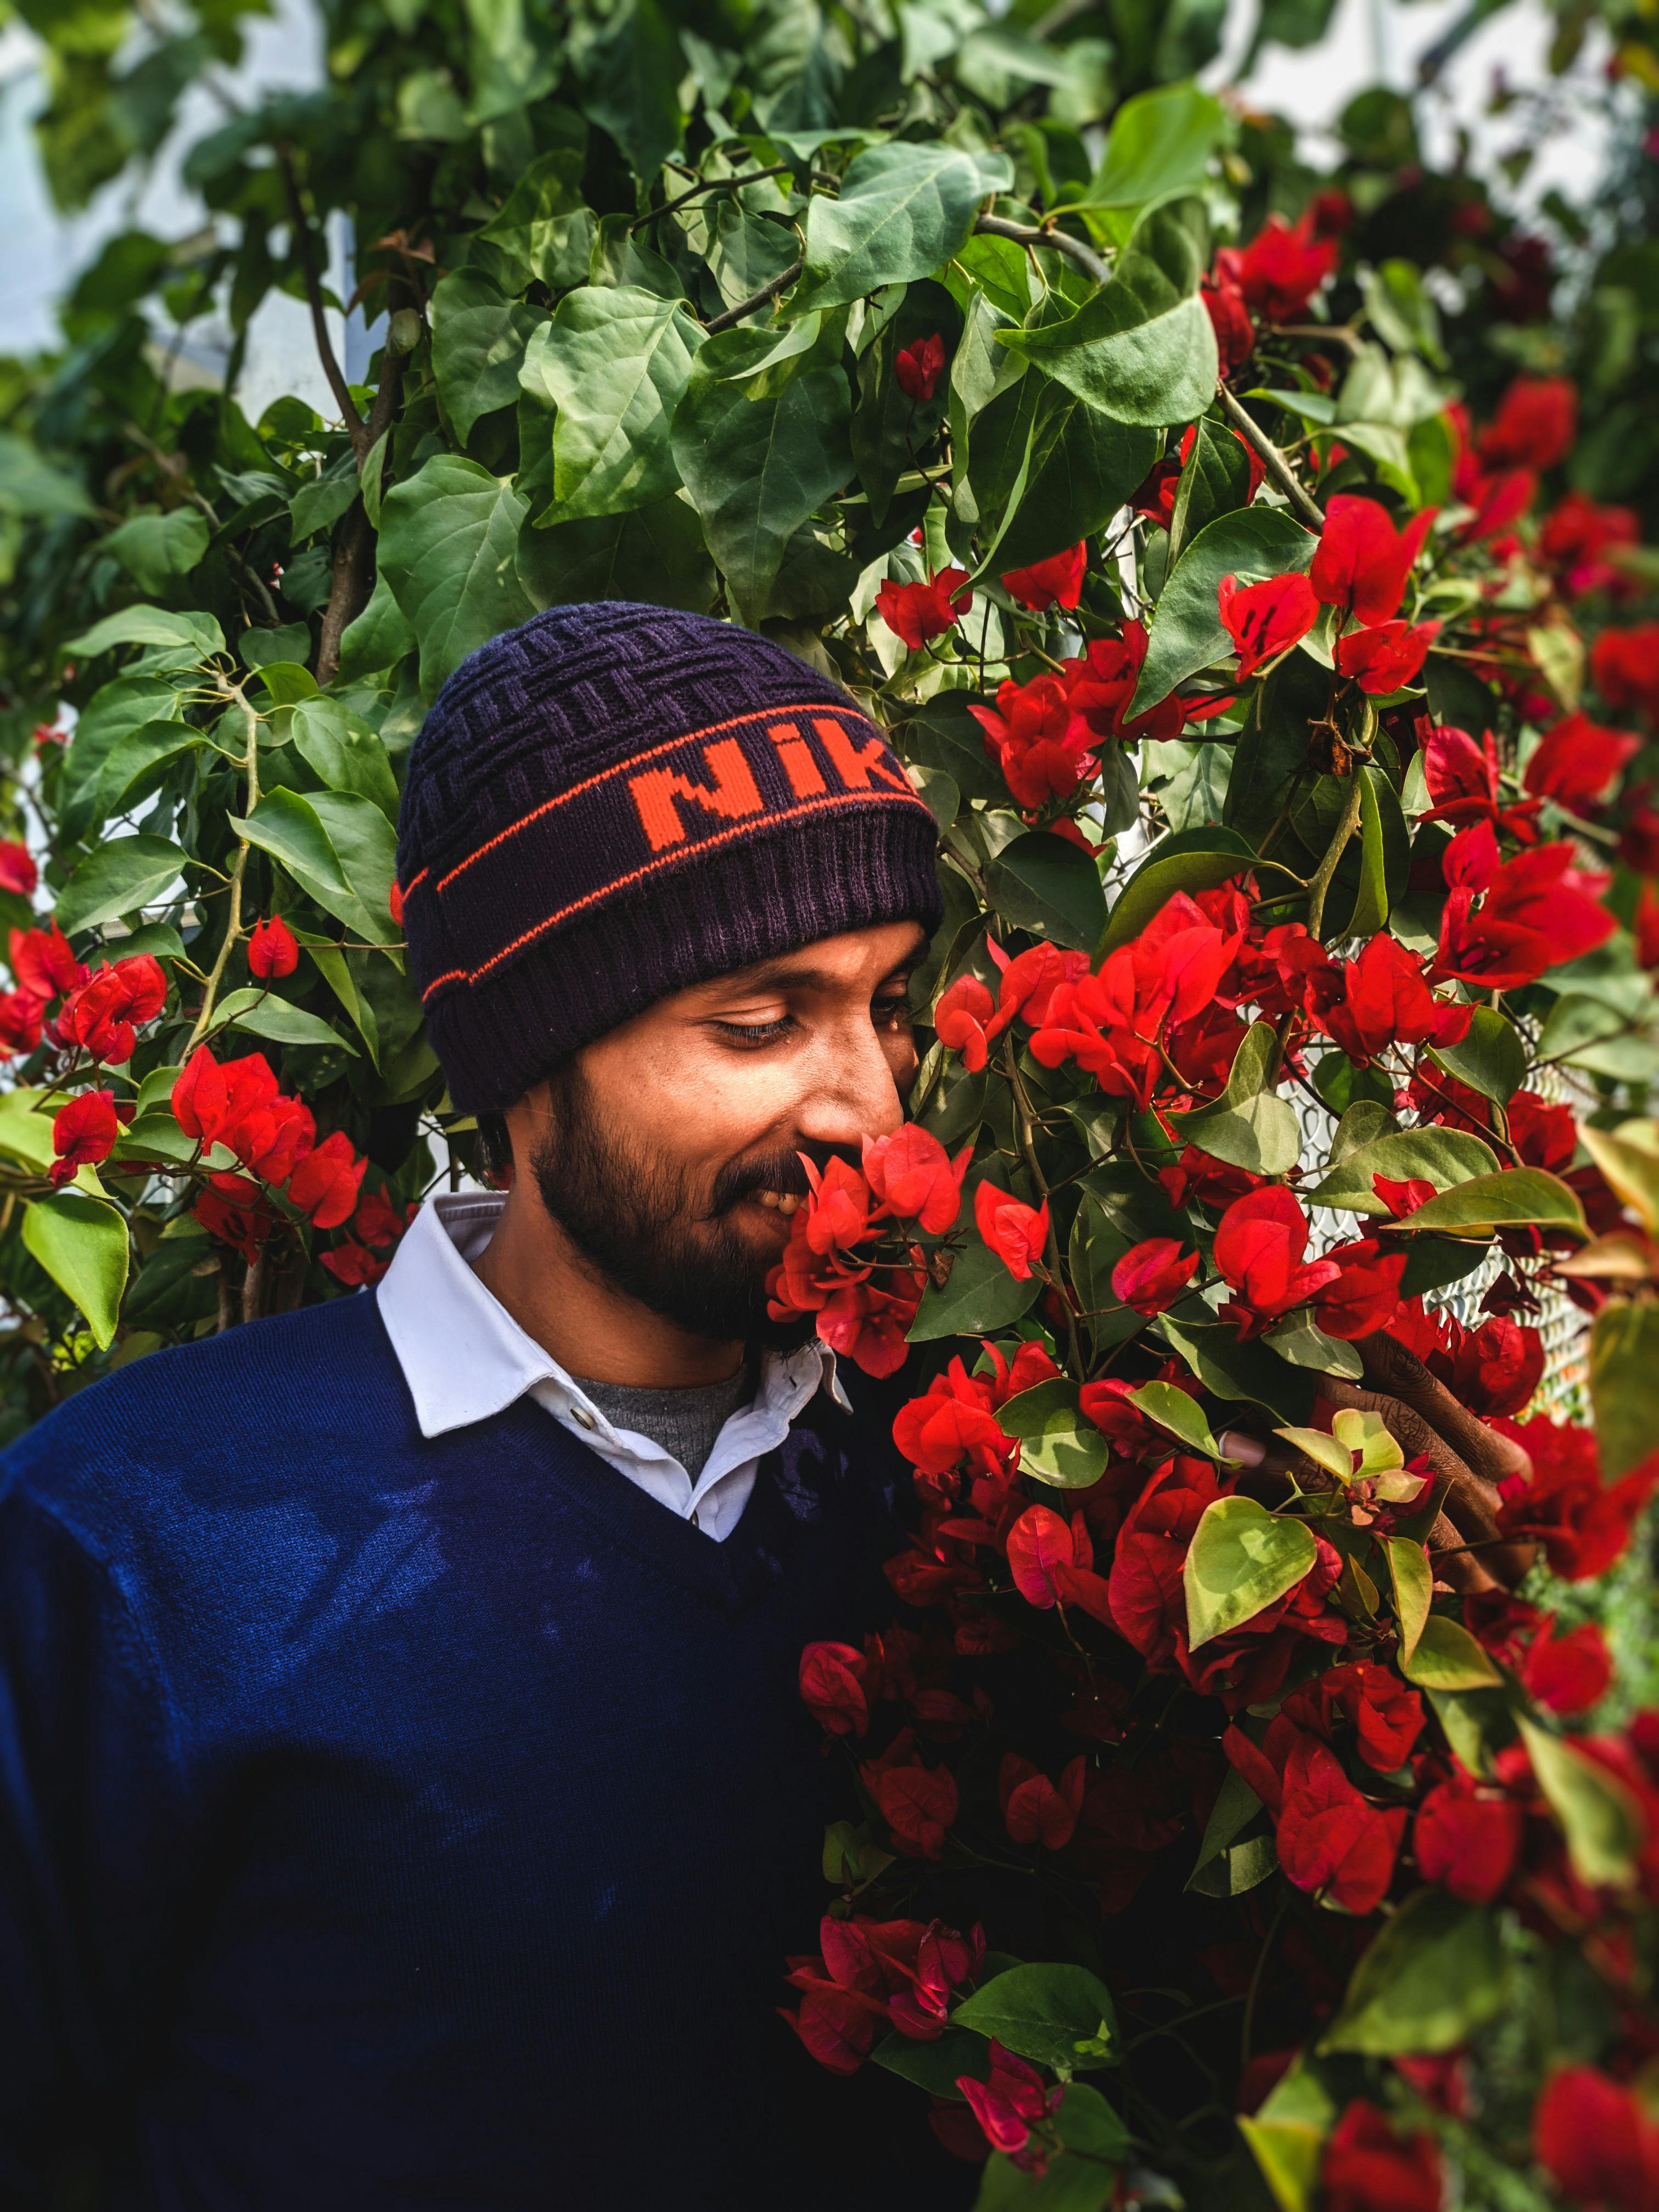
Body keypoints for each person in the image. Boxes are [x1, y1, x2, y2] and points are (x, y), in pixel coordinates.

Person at [0, 605, 1528, 2209]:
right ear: (526, 1058)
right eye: (759, 1021)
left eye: (879, 1003)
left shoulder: (993, 1473)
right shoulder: (134, 1543)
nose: (863, 1099)